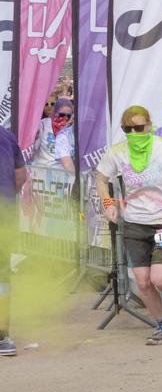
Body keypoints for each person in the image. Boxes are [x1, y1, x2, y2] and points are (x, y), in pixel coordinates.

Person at [94, 105, 162, 344]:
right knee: (143, 282)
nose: (134, 133)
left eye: (139, 128)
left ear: (149, 126)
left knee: (160, 278)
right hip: (135, 222)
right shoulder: (117, 151)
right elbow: (101, 178)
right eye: (128, 129)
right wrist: (108, 203)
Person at [0, 121, 26, 356]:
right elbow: (21, 175)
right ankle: (2, 337)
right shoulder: (6, 136)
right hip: (4, 216)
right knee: (2, 278)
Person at [29, 97, 77, 171]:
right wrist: (33, 140)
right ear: (55, 112)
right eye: (62, 115)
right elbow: (32, 152)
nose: (65, 118)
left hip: (63, 174)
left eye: (68, 116)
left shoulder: (70, 130)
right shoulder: (43, 125)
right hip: (42, 171)